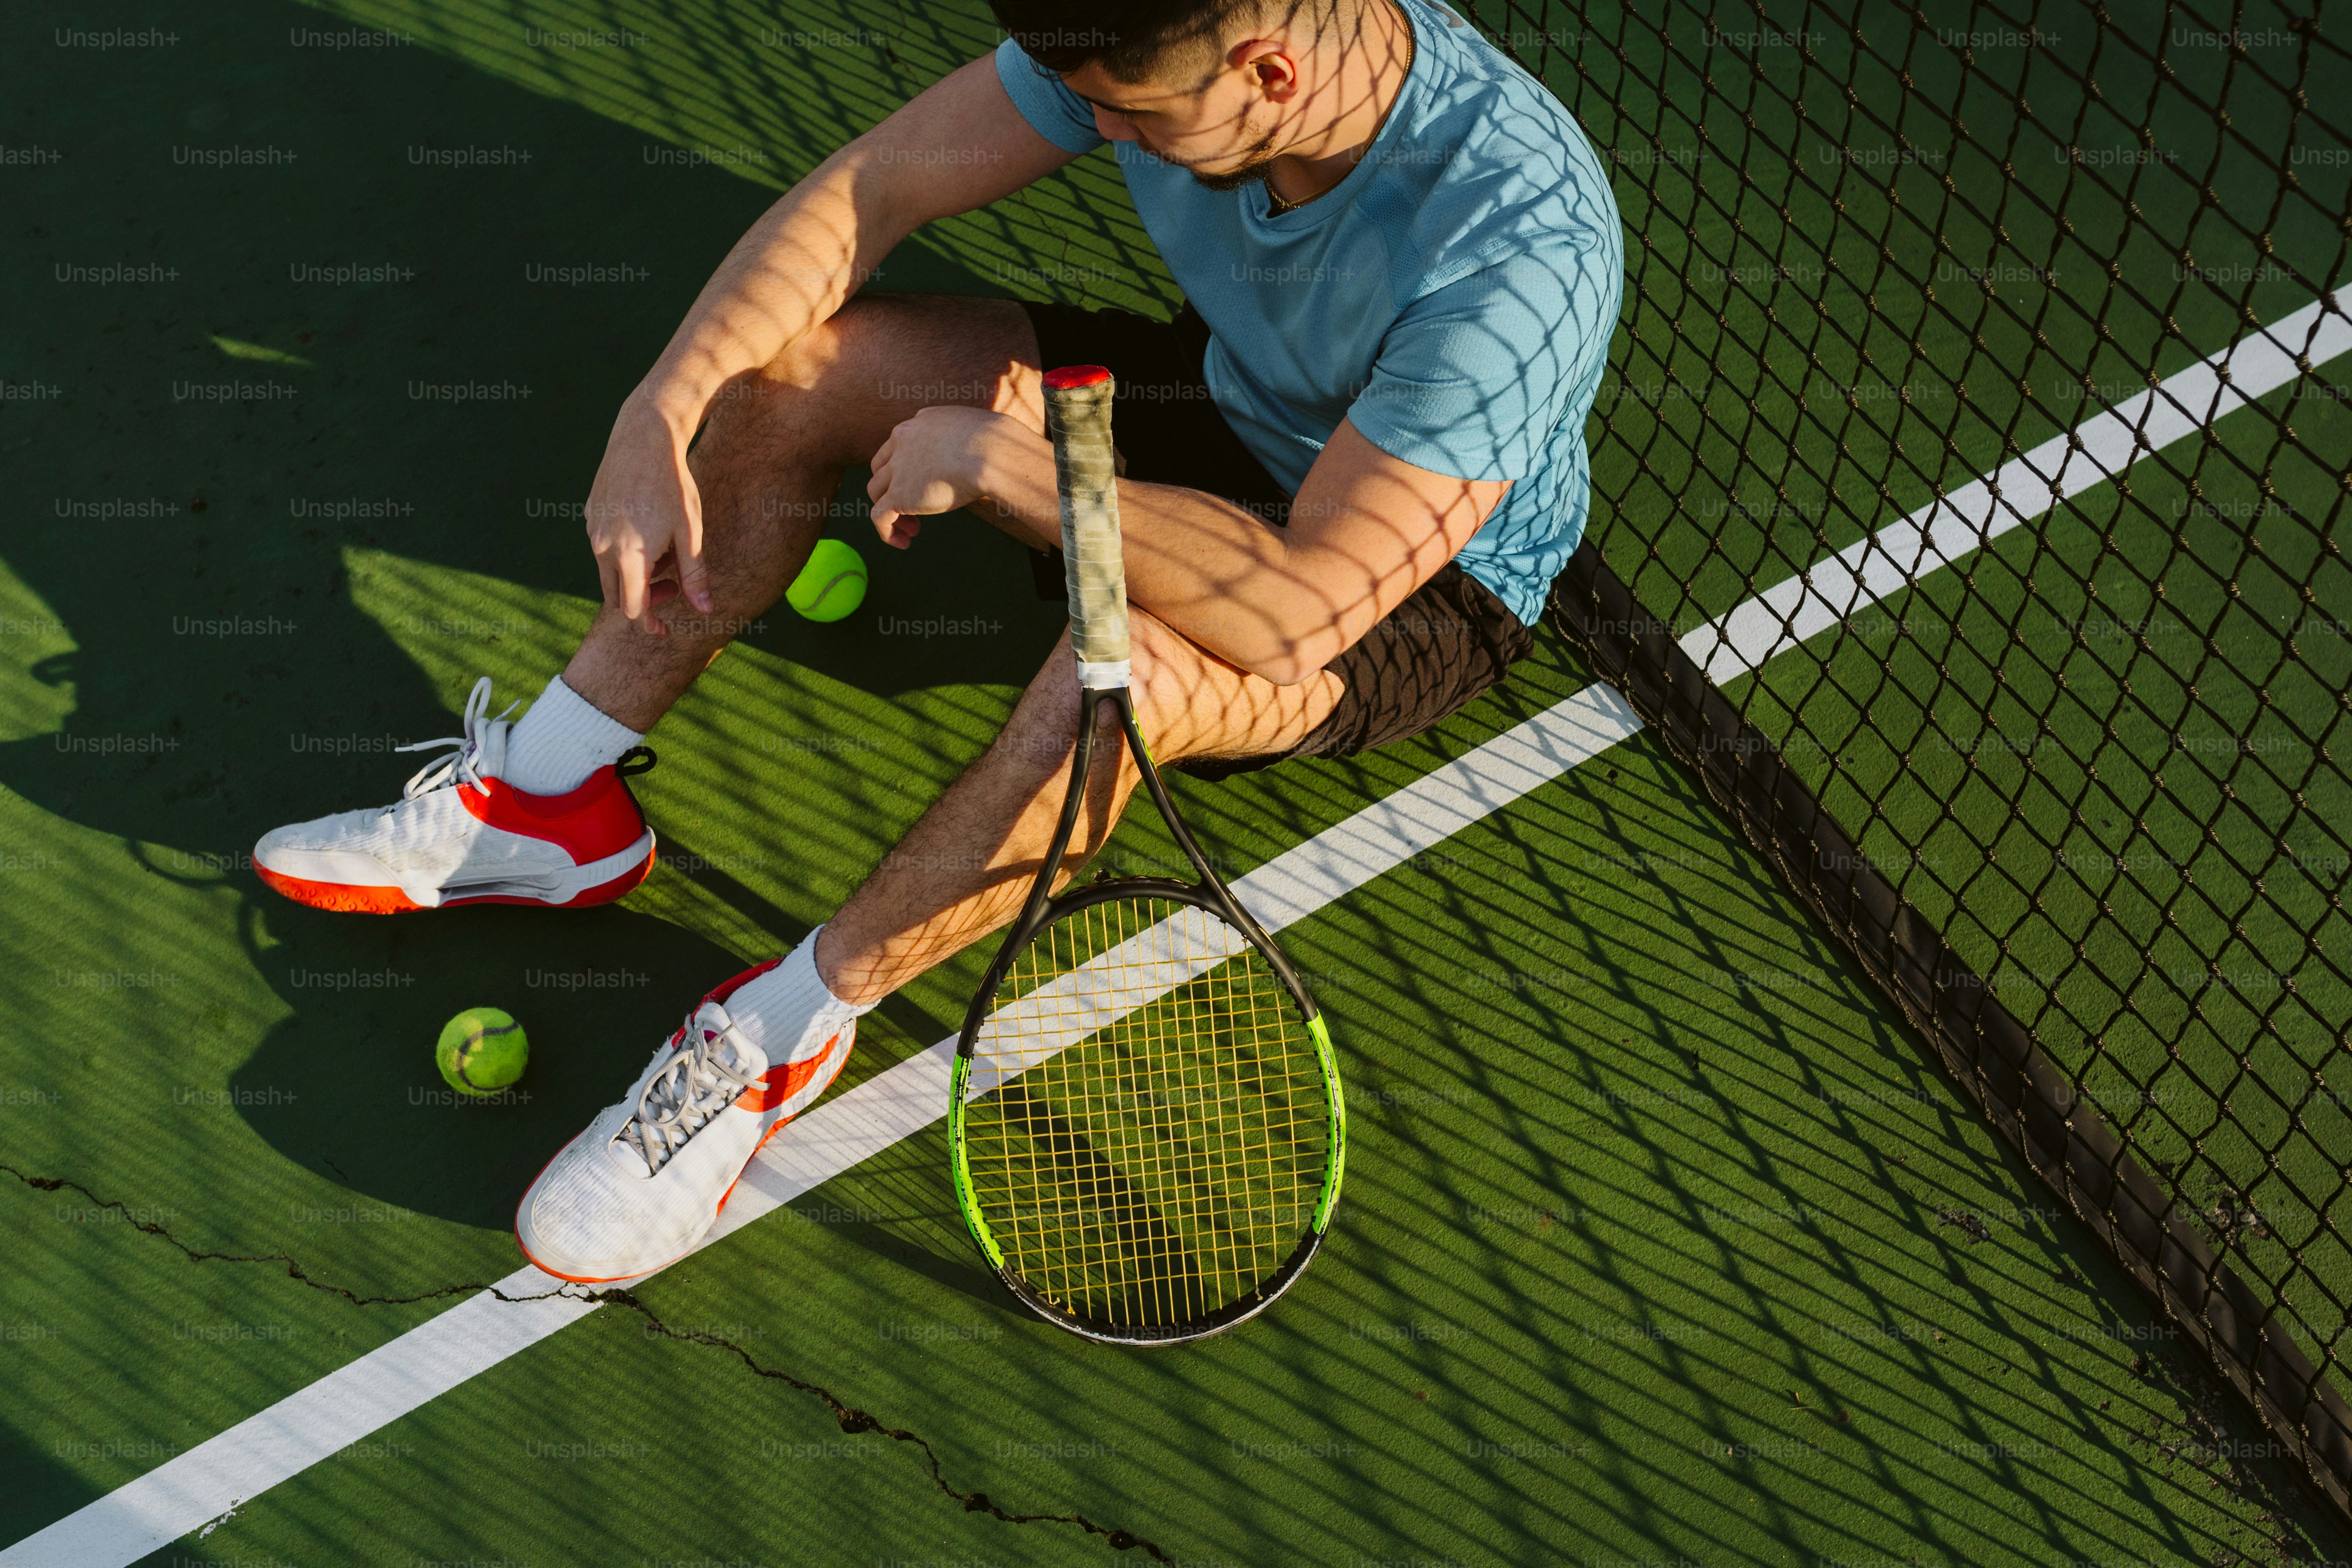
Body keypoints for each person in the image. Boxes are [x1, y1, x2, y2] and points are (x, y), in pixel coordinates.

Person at [250, 0, 1622, 1282]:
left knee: (1129, 671)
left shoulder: (1514, 253)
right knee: (804, 364)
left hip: (1396, 584)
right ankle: (553, 795)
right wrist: (661, 405)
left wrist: (1025, 477)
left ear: (1267, 69)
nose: (1108, 136)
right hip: (1222, 408)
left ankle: (779, 1037)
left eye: (1134, 118)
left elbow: (1297, 608)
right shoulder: (1140, 40)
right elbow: (872, 189)